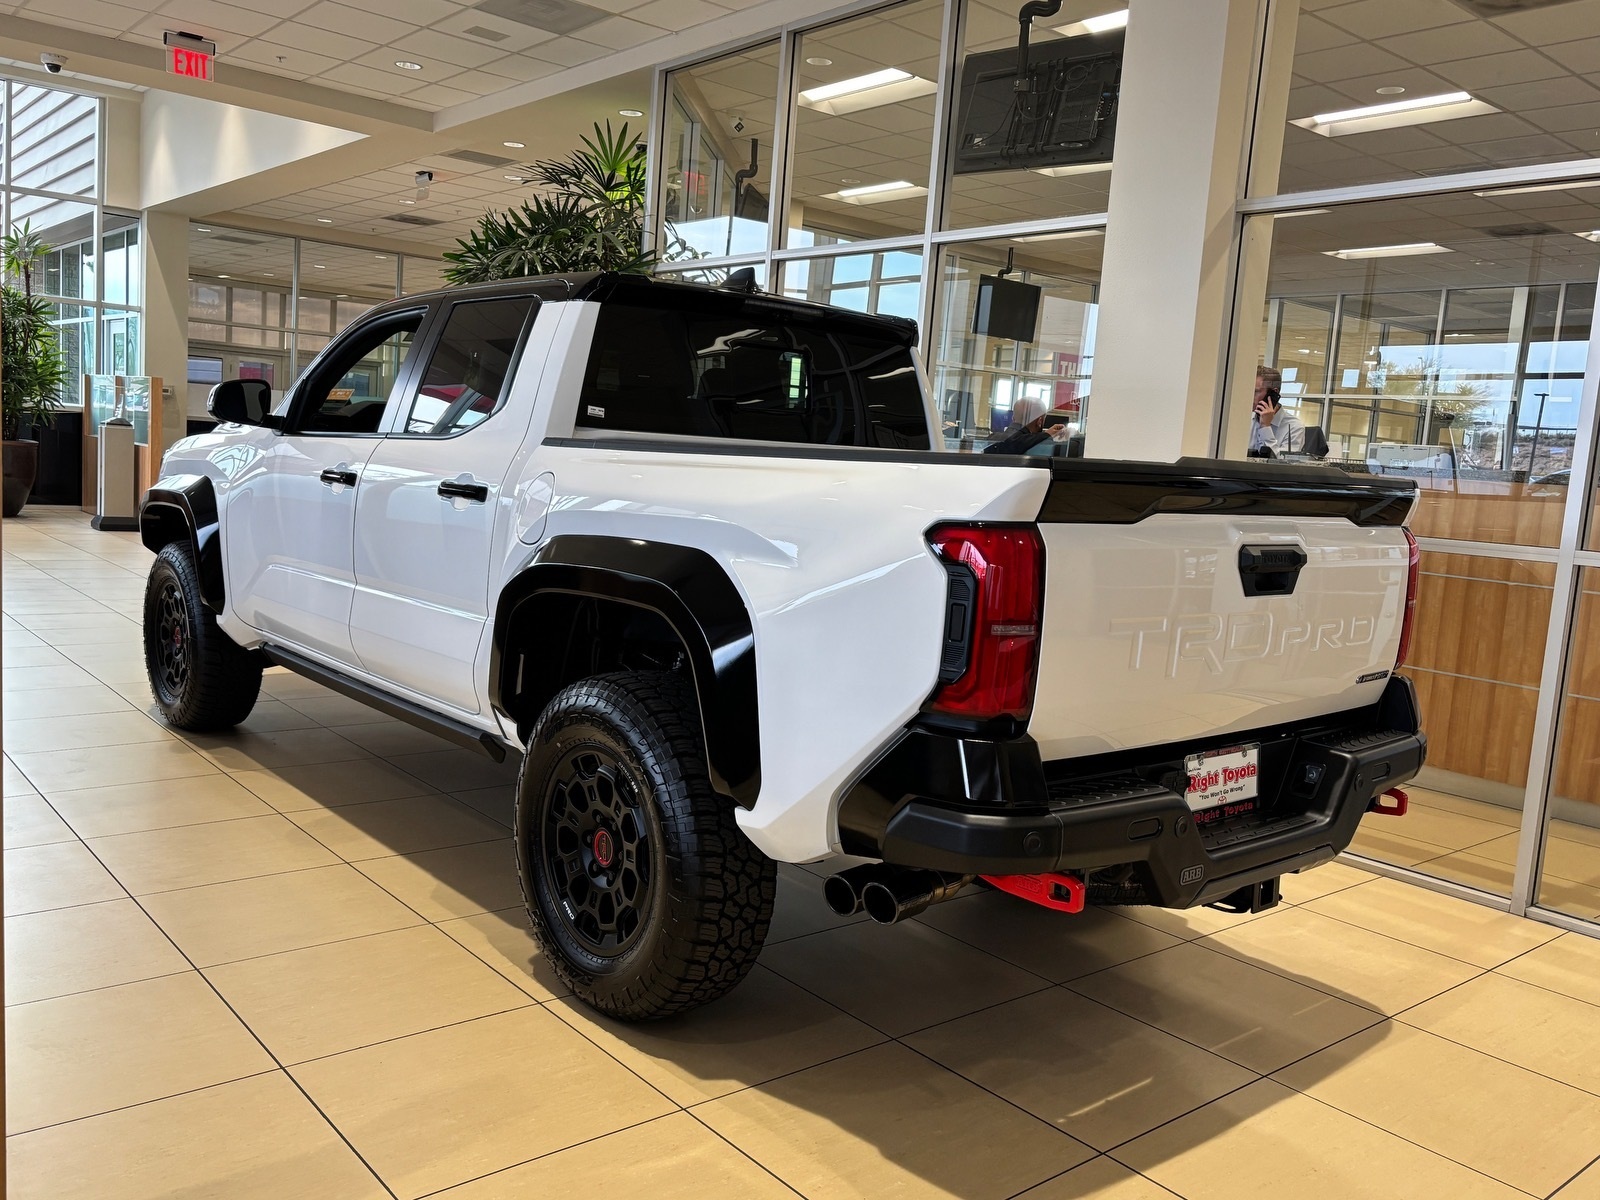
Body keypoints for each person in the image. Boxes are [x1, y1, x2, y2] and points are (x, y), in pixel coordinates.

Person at [1248, 366, 1303, 456]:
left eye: (1256, 392)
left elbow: (1283, 465)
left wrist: (1265, 427)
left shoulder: (1294, 427)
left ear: (1273, 393)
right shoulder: (1247, 419)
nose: (1250, 396)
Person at [984, 395, 1066, 455]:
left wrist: (1047, 434)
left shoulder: (992, 439)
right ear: (1040, 421)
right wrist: (1047, 435)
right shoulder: (1039, 447)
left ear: (1013, 418)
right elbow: (1017, 442)